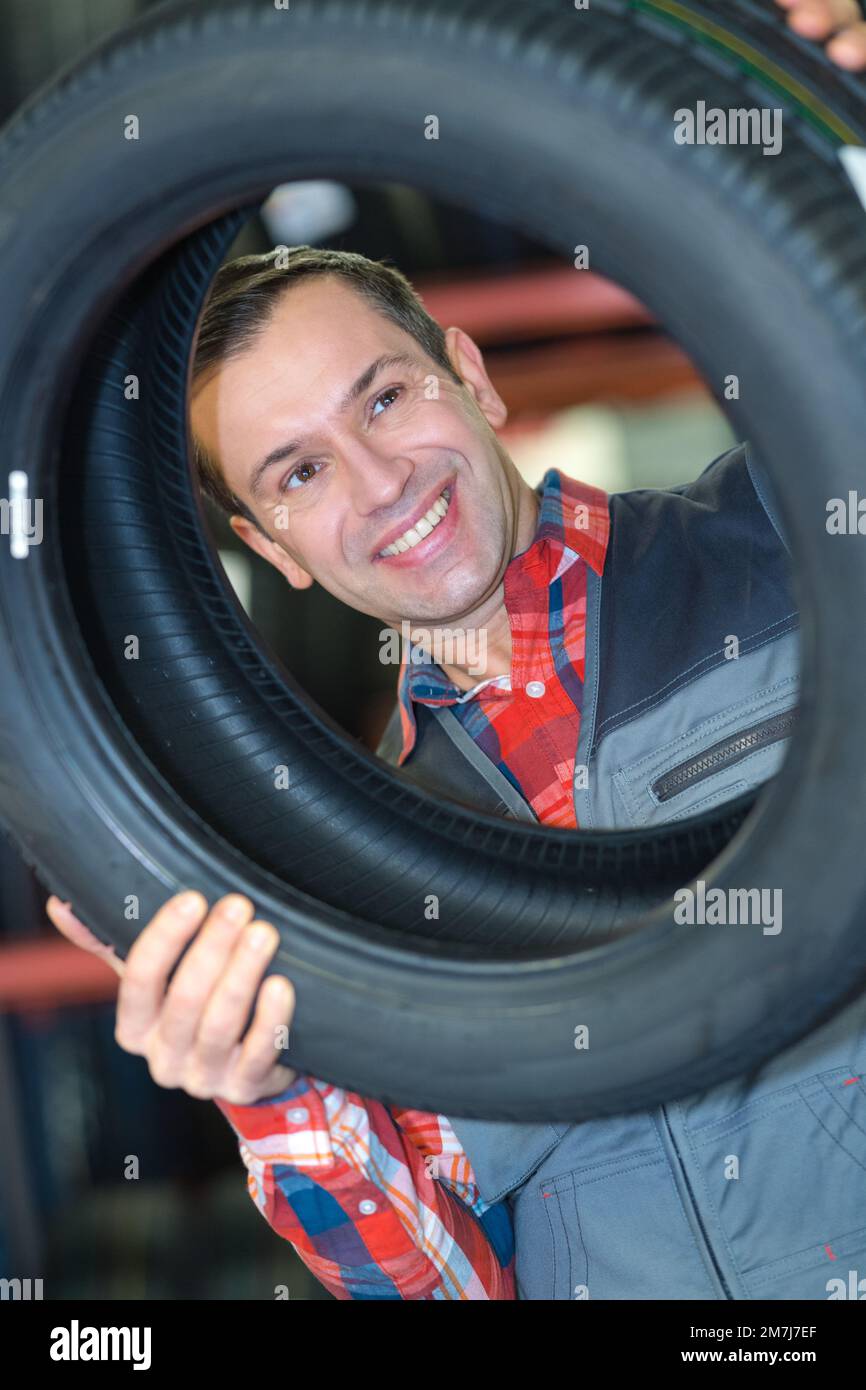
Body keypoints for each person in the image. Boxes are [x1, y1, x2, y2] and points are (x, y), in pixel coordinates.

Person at [47, 0, 866, 1300]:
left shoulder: (791, 540)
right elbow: (441, 1284)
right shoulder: (341, 879)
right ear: (278, 553)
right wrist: (262, 1085)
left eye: (384, 395)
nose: (379, 481)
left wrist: (841, 132)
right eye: (301, 469)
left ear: (471, 380)